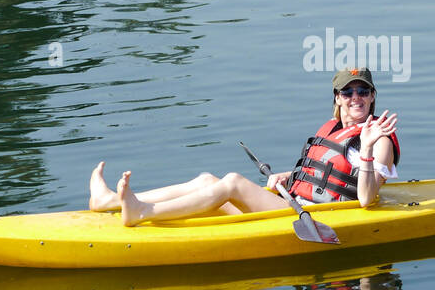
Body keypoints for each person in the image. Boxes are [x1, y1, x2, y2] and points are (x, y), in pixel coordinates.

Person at [88, 68, 400, 226]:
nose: (356, 98)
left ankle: (143, 212)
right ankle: (109, 201)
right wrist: (289, 177)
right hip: (293, 203)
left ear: (372, 96)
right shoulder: (334, 128)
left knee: (234, 182)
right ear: (337, 98)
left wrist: (368, 149)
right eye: (348, 92)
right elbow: (324, 174)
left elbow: (366, 199)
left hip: (316, 217)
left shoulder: (380, 139)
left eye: (363, 91)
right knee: (207, 180)